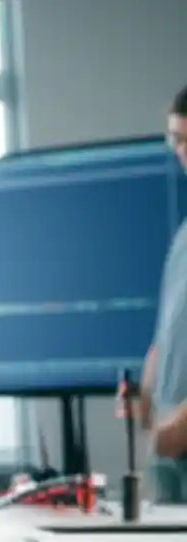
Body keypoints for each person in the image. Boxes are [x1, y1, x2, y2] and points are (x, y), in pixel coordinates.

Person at [124, 83, 187, 503]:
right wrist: (143, 400)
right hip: (170, 463)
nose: (181, 152)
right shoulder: (183, 237)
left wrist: (176, 431)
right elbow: (165, 338)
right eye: (177, 139)